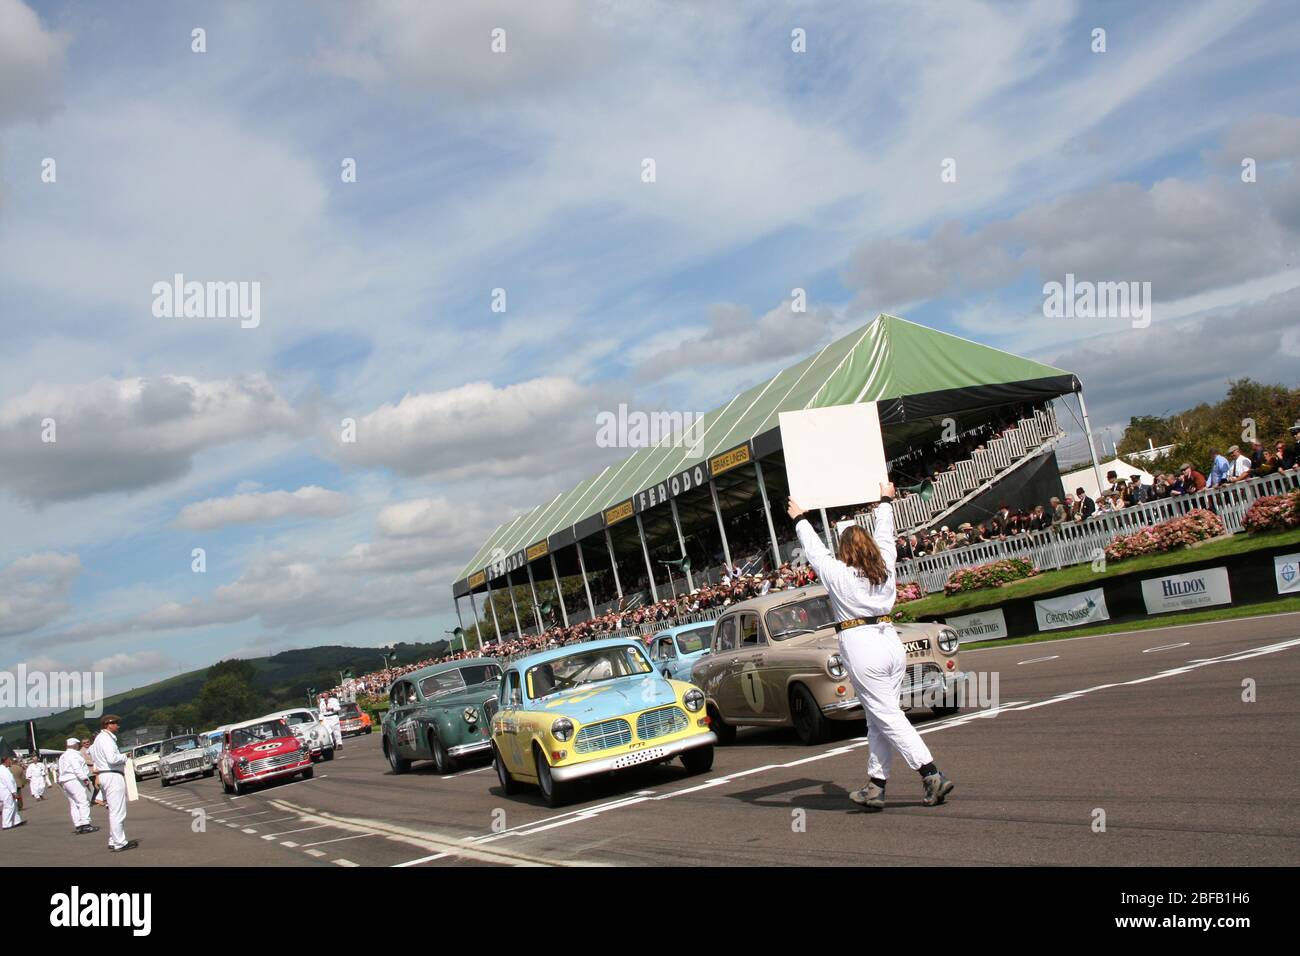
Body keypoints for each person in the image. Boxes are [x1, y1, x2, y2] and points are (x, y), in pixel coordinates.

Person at [788, 483, 955, 812]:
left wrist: (800, 519)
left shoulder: (838, 574)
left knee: (888, 716)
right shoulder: (886, 568)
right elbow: (886, 536)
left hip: (862, 645)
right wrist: (885, 501)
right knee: (878, 718)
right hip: (890, 641)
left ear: (845, 550)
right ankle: (876, 786)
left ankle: (931, 773)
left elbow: (815, 552)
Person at [89, 715, 136, 852]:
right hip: (112, 775)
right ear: (108, 724)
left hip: (105, 774)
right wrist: (124, 756)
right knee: (118, 811)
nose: (118, 725)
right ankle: (119, 843)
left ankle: (113, 839)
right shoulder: (106, 739)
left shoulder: (98, 740)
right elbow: (112, 758)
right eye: (115, 723)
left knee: (113, 810)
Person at [57, 738, 98, 835]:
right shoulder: (74, 755)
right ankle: (86, 824)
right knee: (83, 801)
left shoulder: (63, 756)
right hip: (74, 780)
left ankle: (78, 824)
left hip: (65, 781)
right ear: (75, 745)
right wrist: (85, 779)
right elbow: (77, 768)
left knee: (74, 803)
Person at [1, 754, 23, 829]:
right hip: (6, 791)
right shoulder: (3, 770)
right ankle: (6, 824)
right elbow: (8, 782)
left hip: (7, 790)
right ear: (6, 761)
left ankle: (17, 821)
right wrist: (14, 792)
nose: (11, 762)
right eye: (9, 760)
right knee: (8, 807)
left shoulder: (4, 769)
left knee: (14, 806)